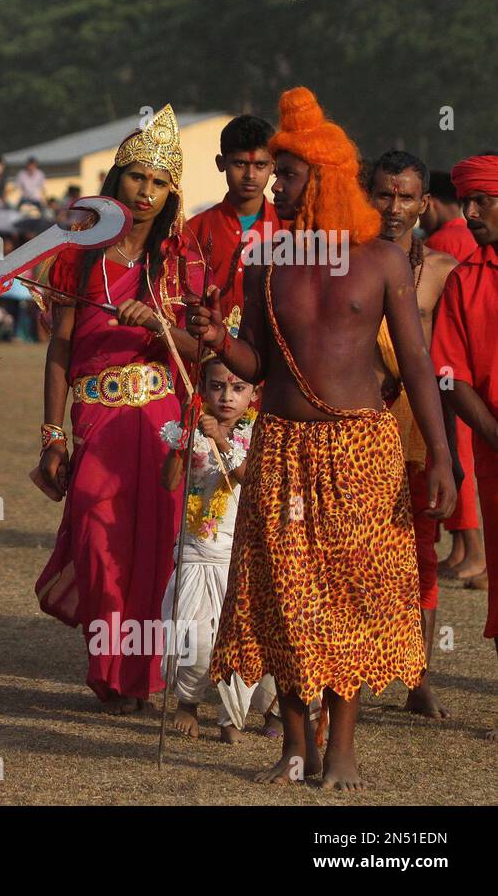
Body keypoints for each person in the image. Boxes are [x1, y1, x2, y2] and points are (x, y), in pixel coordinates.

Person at [191, 87, 455, 790]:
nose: (275, 184)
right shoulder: (264, 261)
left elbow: (421, 367)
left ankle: (342, 750)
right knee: (282, 596)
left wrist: (441, 461)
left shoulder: (382, 262)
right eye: (275, 173)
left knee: (352, 599)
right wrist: (218, 338)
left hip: (362, 451)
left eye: (288, 174)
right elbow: (255, 362)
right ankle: (295, 748)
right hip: (279, 446)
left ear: (327, 179)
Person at [32, 104, 206, 714]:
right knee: (102, 547)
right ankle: (110, 672)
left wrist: (162, 326)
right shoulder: (77, 257)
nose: (147, 193)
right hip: (97, 420)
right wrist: (53, 433)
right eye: (137, 178)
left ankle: (142, 681)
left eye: (160, 184)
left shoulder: (180, 265)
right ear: (115, 182)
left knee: (155, 552)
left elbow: (200, 349)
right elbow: (58, 347)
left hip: (160, 420)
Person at [366, 149, 459, 719]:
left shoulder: (445, 272)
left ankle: (418, 677)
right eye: (383, 195)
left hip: (417, 439)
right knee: (352, 556)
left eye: (406, 197)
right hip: (353, 432)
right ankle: (343, 672)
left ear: (425, 204)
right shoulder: (347, 259)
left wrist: (449, 455)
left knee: (419, 559)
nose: (394, 208)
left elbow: (447, 368)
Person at [158, 357, 279, 742]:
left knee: (251, 638)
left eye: (238, 388)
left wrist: (222, 441)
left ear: (254, 395)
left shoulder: (259, 433)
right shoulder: (189, 429)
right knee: (195, 637)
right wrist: (185, 436)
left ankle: (237, 718)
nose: (226, 396)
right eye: (216, 387)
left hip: (241, 556)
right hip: (197, 552)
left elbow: (252, 479)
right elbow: (169, 482)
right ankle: (188, 703)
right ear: (203, 388)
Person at [431, 153, 498, 741]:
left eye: (482, 201)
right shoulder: (464, 280)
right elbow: (449, 375)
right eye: (467, 200)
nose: (470, 211)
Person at [423, 170, 486, 584]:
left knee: (457, 462)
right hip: (468, 379)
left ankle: (475, 554)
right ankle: (468, 551)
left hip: (454, 379)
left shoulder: (443, 243)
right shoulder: (471, 243)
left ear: (426, 201)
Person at [184, 115, 285, 341]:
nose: (250, 175)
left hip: (270, 356)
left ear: (273, 166)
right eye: (240, 164)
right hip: (207, 356)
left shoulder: (289, 229)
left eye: (260, 165)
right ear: (221, 163)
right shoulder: (193, 231)